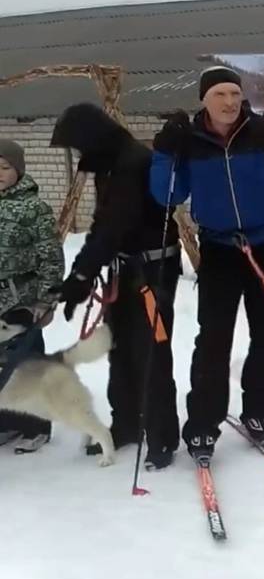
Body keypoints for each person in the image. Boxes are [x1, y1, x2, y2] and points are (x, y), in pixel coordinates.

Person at [149, 66, 264, 461]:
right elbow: (168, 194)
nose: (229, 102)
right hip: (221, 249)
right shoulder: (190, 140)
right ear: (204, 100)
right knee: (213, 340)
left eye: (234, 94)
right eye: (219, 95)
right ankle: (203, 424)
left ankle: (259, 411)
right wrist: (164, 151)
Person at [50, 103, 183, 470]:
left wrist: (81, 277)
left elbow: (115, 226)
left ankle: (162, 437)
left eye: (78, 146)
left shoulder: (132, 162)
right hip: (124, 269)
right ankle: (126, 424)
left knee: (150, 352)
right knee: (121, 350)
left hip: (152, 270)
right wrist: (83, 273)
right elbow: (102, 224)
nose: (78, 155)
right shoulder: (110, 163)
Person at [0, 139, 64, 453]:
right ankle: (7, 423)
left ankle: (35, 426)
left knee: (26, 364)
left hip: (22, 298)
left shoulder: (32, 207)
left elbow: (50, 255)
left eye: (5, 167)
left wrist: (47, 298)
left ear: (18, 169)